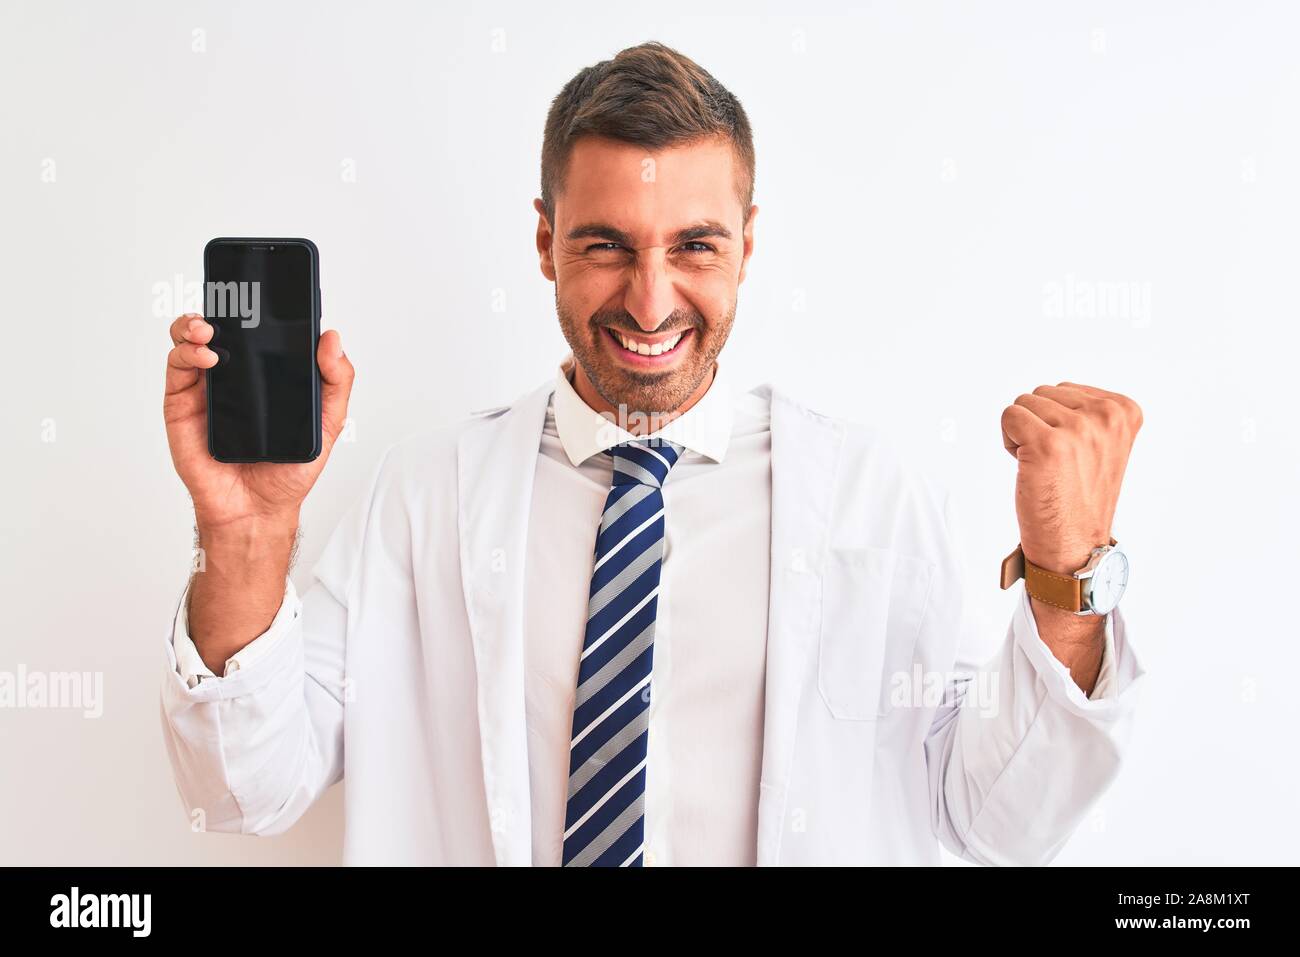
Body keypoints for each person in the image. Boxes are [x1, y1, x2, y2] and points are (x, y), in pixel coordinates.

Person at [159, 41, 1144, 866]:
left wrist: (1065, 579)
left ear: (748, 245)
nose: (650, 299)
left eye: (694, 247)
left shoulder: (866, 496)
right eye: (606, 246)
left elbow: (1001, 819)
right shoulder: (423, 498)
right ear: (544, 241)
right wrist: (246, 535)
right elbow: (245, 789)